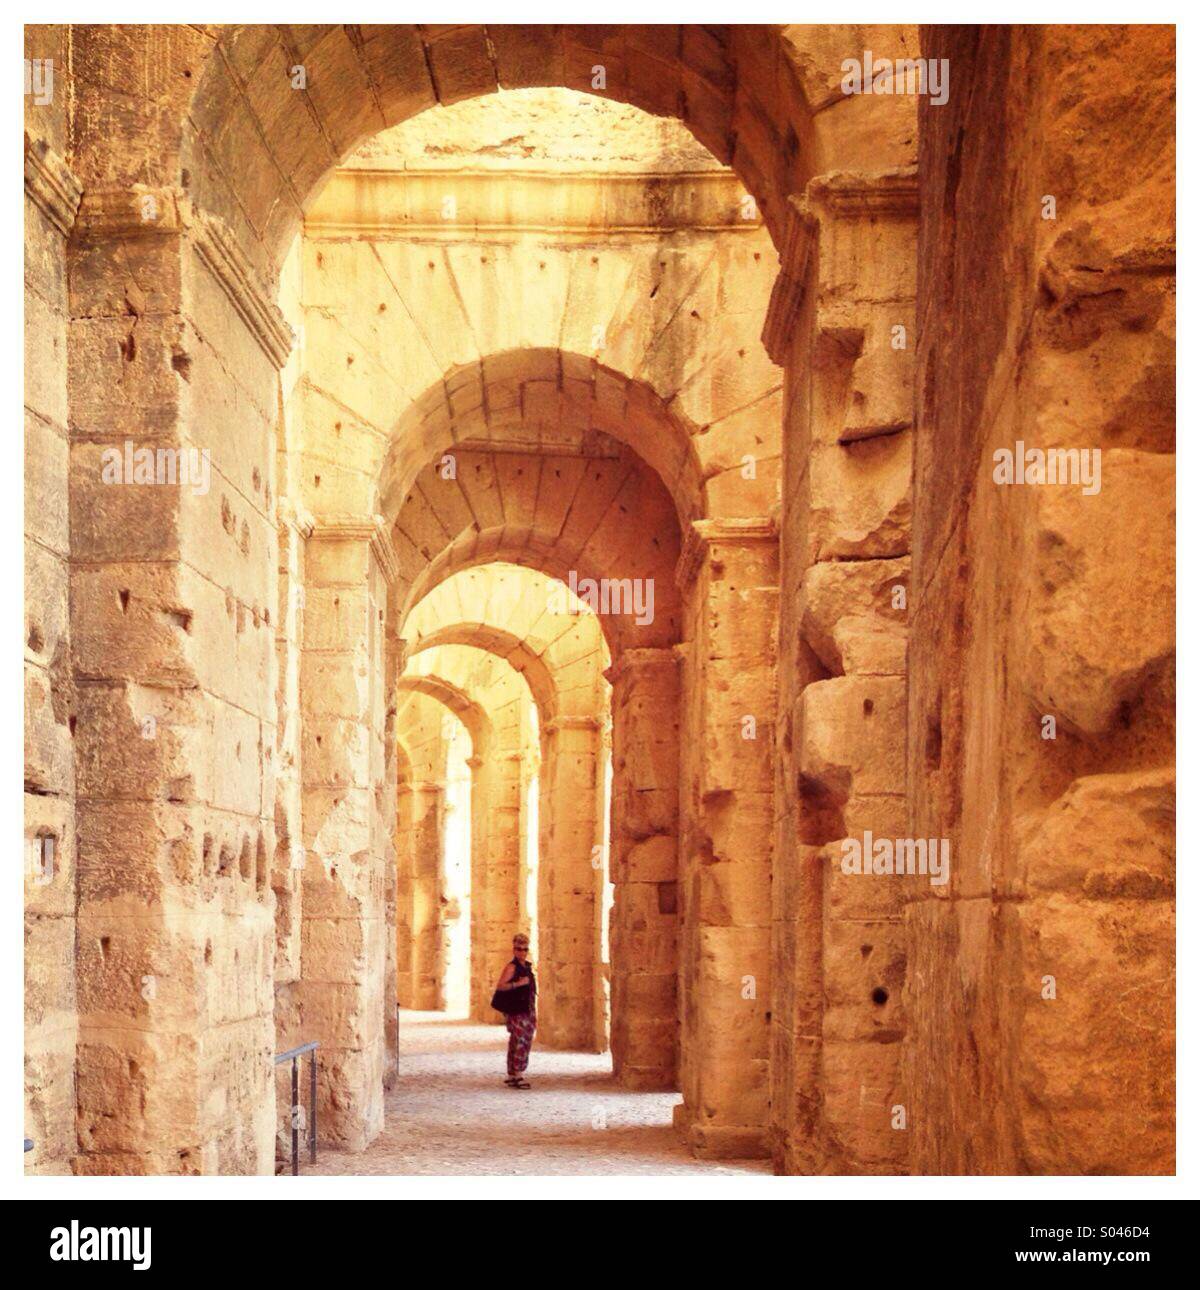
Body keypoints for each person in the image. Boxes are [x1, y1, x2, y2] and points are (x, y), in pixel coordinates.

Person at [494, 933, 536, 1089]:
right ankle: (518, 1074)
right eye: (518, 949)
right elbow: (500, 986)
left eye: (525, 949)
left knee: (519, 1040)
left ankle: (513, 1073)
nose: (522, 952)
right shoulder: (511, 967)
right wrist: (518, 984)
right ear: (514, 950)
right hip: (518, 1010)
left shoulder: (527, 966)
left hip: (527, 1009)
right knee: (520, 1041)